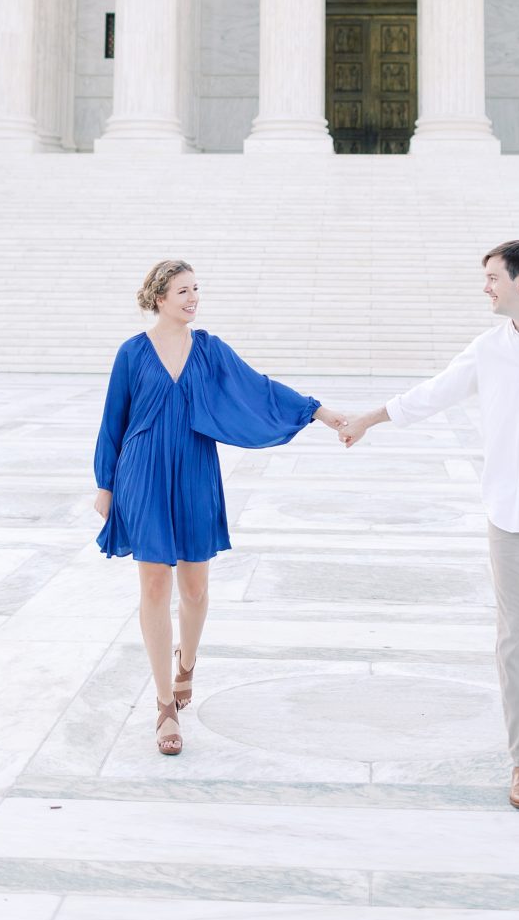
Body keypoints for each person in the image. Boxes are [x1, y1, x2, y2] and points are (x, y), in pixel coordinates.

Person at [339, 239, 519, 811]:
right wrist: (372, 418)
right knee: (513, 637)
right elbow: (431, 394)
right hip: (508, 515)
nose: (486, 288)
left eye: (493, 278)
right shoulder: (487, 349)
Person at [93, 259, 346, 756]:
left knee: (195, 585)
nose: (193, 299)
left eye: (196, 290)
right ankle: (165, 705)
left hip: (193, 471)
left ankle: (186, 661)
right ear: (159, 297)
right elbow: (112, 420)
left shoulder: (208, 350)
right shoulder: (131, 352)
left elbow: (257, 387)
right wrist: (106, 485)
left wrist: (316, 410)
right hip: (142, 472)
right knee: (153, 585)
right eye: (183, 291)